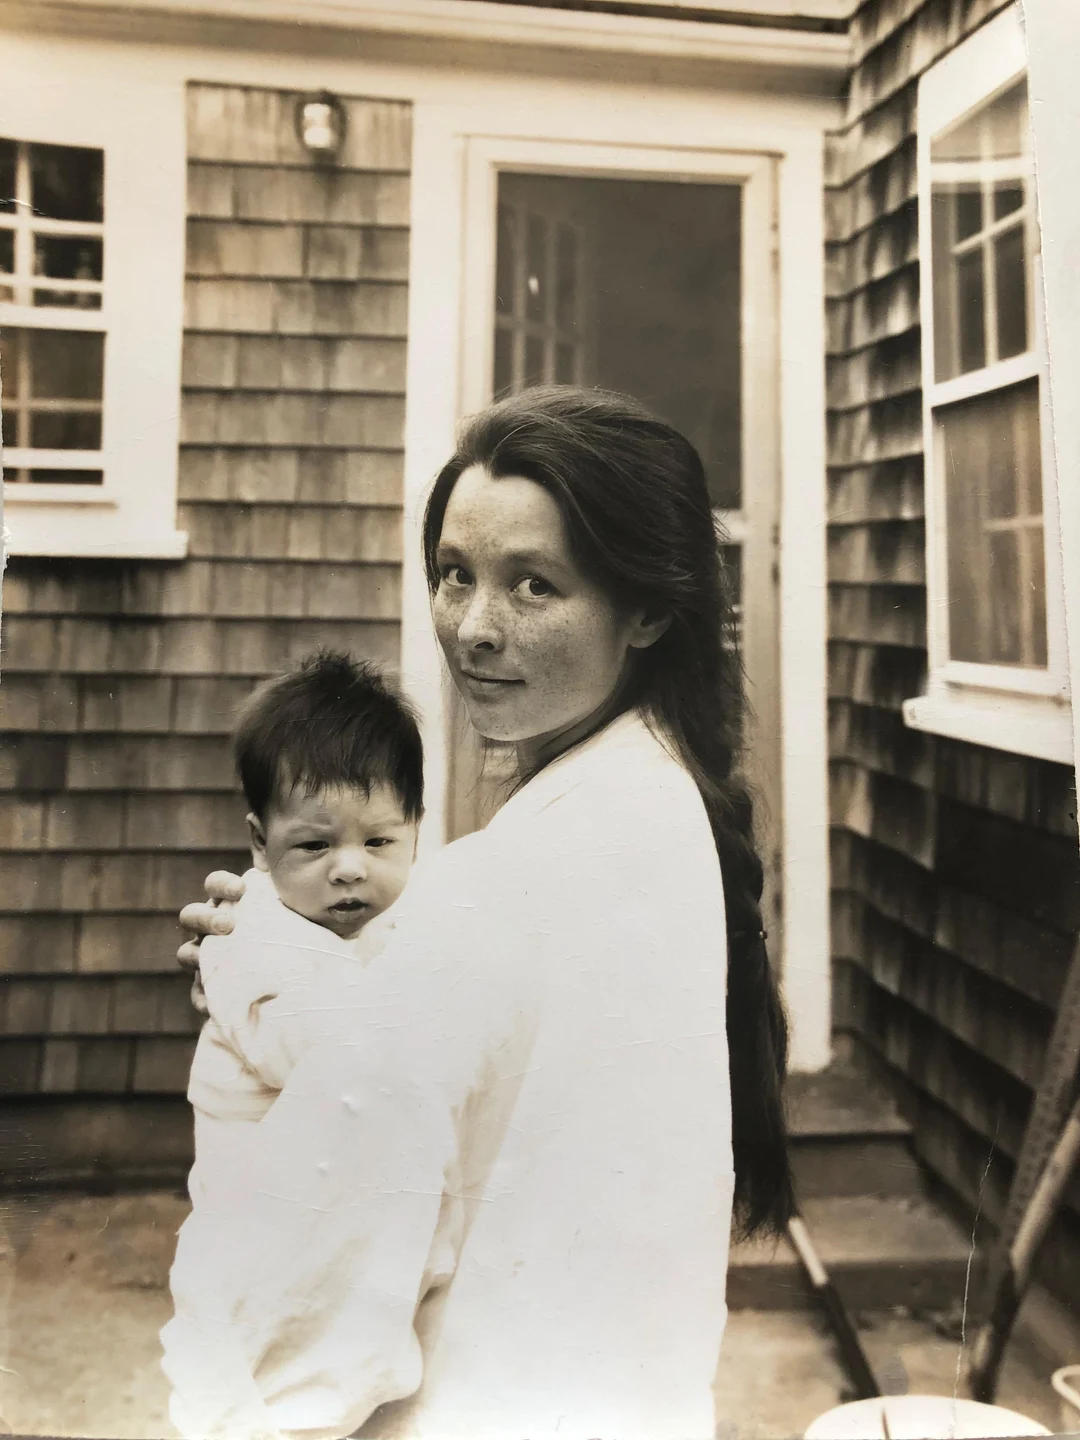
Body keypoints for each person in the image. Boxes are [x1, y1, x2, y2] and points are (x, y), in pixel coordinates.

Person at [174, 386, 794, 1440]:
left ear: (646, 611)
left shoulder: (521, 874)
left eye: (534, 586)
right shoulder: (660, 804)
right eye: (454, 574)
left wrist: (252, 965)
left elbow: (315, 1285)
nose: (474, 627)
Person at [161, 652, 424, 1439]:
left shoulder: (386, 928)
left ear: (416, 830)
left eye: (380, 842)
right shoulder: (256, 936)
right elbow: (327, 1053)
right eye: (314, 847)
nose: (349, 871)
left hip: (315, 1189)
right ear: (260, 843)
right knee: (275, 1361)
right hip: (256, 1205)